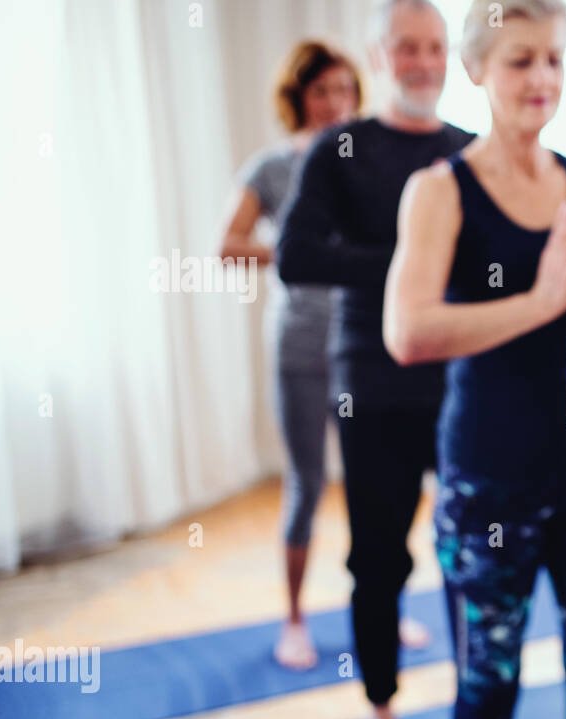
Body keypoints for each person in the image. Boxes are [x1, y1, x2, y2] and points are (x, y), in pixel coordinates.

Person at [276, 0, 537, 719]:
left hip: (467, 387)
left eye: (434, 47)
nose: (421, 60)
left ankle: (480, 707)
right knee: (379, 557)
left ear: (451, 57)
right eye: (406, 48)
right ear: (380, 55)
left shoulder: (470, 152)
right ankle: (381, 714)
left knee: (479, 560)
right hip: (374, 387)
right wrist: (409, 266)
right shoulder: (338, 148)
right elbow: (294, 254)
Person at [384, 0, 566, 719]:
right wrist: (540, 300)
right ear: (477, 70)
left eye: (554, 59)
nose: (542, 78)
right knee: (487, 688)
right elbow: (407, 331)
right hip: (488, 484)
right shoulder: (440, 190)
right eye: (521, 60)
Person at [219, 41, 360, 671]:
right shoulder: (272, 166)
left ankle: (372, 608)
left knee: (372, 488)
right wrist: (299, 253)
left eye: (346, 90)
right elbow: (229, 244)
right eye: (323, 90)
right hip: (300, 346)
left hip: (363, 347)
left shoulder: (366, 161)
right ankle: (296, 618)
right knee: (305, 485)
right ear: (300, 96)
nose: (335, 103)